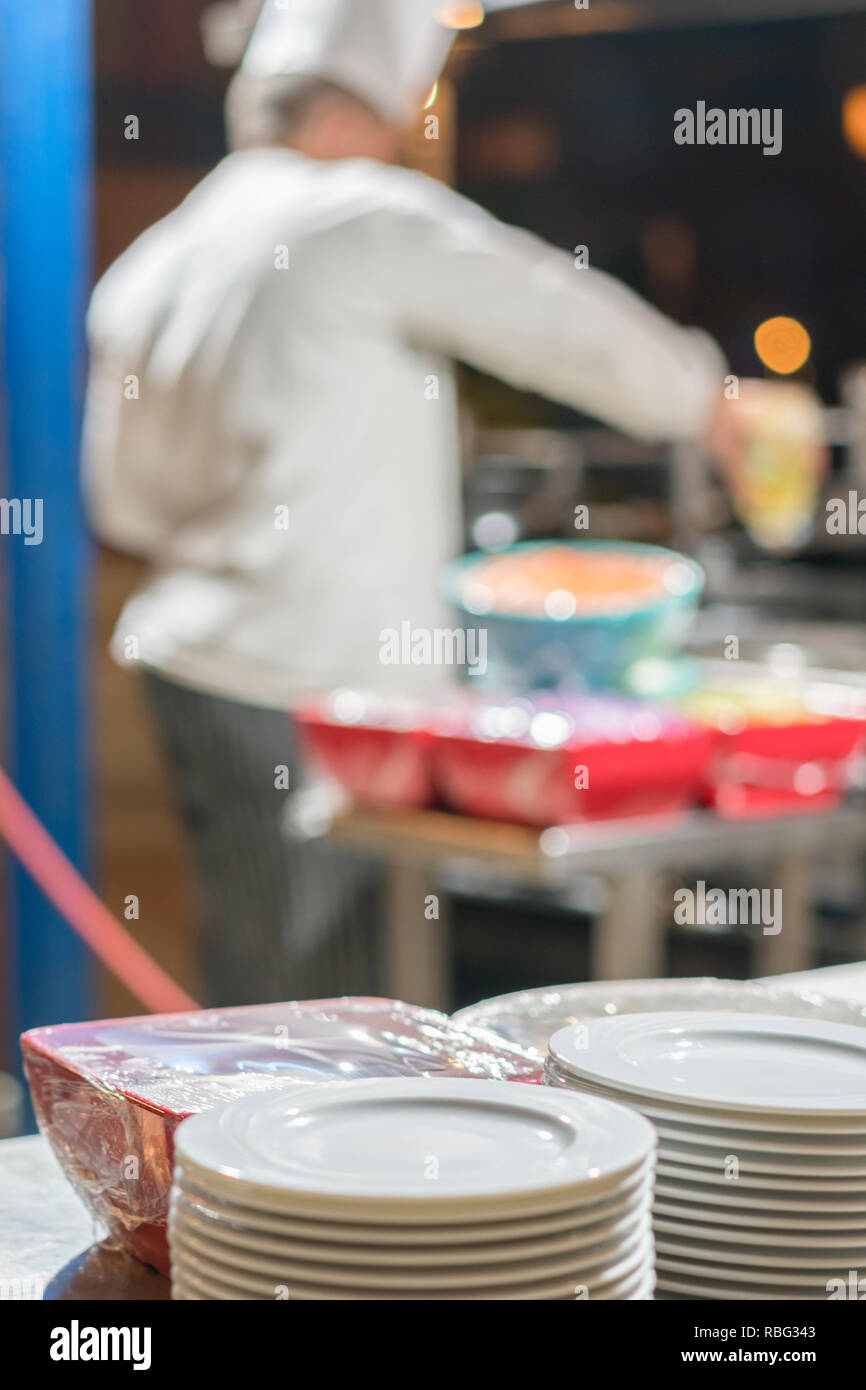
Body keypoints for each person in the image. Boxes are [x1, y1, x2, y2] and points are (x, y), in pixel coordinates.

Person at [83, 0, 728, 1007]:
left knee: (254, 972)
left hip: (191, 664)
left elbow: (120, 505)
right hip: (314, 680)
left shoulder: (155, 261)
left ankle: (238, 1144)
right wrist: (711, 401)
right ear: (350, 124)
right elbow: (557, 320)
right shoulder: (356, 214)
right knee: (327, 1010)